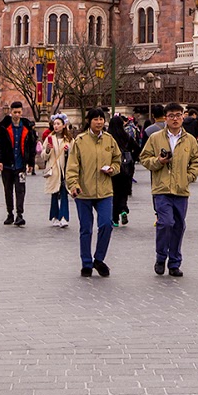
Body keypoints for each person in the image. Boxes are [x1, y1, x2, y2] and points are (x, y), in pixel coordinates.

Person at [139, 102, 198, 277]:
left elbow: (197, 161)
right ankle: (161, 257)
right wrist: (158, 162)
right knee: (165, 223)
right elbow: (144, 158)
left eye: (178, 115)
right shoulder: (155, 138)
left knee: (179, 226)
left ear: (183, 116)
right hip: (161, 188)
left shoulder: (189, 140)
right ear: (166, 118)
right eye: (171, 116)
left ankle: (174, 262)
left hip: (181, 190)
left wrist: (189, 177)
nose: (175, 119)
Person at [65, 107, 121, 277]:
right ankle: (86, 263)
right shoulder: (80, 141)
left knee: (106, 224)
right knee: (86, 228)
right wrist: (73, 184)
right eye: (95, 119)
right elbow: (72, 166)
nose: (99, 122)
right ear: (89, 121)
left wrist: (113, 169)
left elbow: (117, 160)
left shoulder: (110, 140)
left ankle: (99, 258)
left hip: (104, 190)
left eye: (101, 119)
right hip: (83, 191)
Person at [0, 101, 37, 227]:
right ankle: (10, 213)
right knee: (8, 189)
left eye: (19, 112)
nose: (17, 114)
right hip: (7, 164)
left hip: (20, 164)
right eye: (15, 112)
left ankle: (20, 214)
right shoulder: (4, 127)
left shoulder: (27, 127)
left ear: (22, 112)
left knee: (20, 190)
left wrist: (30, 163)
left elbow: (31, 147)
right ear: (11, 112)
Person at [42, 116, 74, 229]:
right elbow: (43, 155)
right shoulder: (50, 138)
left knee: (64, 193)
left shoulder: (69, 139)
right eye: (54, 124)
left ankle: (64, 217)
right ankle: (55, 216)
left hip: (65, 170)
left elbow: (74, 154)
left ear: (64, 125)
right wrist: (48, 149)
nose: (56, 126)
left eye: (58, 124)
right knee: (54, 193)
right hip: (54, 170)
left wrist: (68, 151)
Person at [108, 114, 138, 226]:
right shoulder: (127, 137)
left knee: (114, 192)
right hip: (126, 168)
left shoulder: (108, 138)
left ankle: (115, 219)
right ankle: (124, 209)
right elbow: (138, 148)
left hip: (112, 167)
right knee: (123, 192)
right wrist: (132, 158)